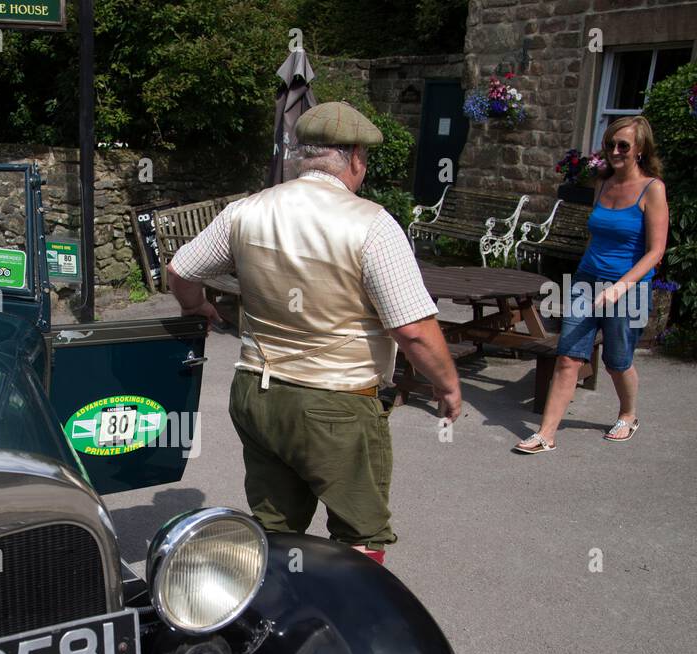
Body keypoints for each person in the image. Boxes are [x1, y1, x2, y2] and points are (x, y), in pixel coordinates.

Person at [166, 102, 461, 564]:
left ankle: (279, 615)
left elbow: (181, 269)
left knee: (275, 527)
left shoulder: (246, 211)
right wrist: (447, 384)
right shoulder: (373, 224)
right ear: (357, 158)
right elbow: (414, 330)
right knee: (360, 532)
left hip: (257, 392)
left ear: (303, 155)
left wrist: (197, 306)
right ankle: (354, 620)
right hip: (336, 401)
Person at [515, 115, 668, 453]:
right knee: (569, 356)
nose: (615, 150)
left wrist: (619, 287)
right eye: (610, 144)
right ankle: (546, 434)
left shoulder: (652, 189)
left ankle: (628, 414)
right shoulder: (602, 184)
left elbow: (656, 251)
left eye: (623, 145)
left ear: (640, 149)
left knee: (617, 360)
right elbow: (595, 237)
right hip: (587, 280)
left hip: (628, 288)